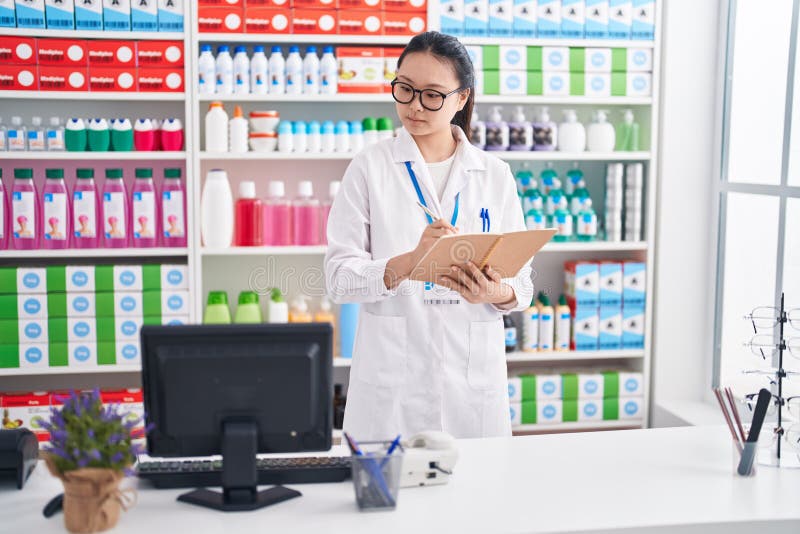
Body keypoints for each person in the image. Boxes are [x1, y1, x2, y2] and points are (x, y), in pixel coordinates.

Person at [324, 31, 533, 440]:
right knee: (389, 499)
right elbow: (338, 279)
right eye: (405, 89)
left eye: (433, 95)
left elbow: (523, 283)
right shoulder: (370, 168)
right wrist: (409, 264)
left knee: (478, 497)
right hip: (392, 395)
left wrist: (493, 292)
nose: (415, 106)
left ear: (462, 98)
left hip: (471, 391)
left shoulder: (495, 175)